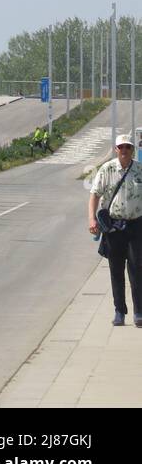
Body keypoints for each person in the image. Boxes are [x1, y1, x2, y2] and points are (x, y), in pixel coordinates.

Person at [89, 134, 142, 326]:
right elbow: (94, 195)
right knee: (116, 271)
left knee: (137, 270)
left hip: (136, 226)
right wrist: (92, 219)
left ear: (132, 150)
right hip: (114, 228)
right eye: (121, 147)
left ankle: (139, 312)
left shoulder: (139, 169)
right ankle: (119, 311)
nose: (125, 151)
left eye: (128, 147)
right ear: (116, 149)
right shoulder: (107, 169)